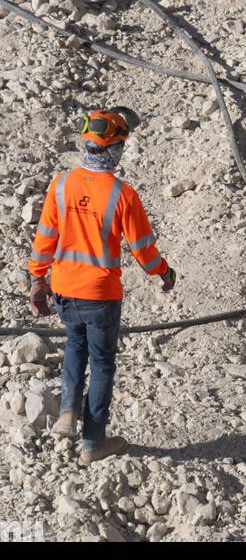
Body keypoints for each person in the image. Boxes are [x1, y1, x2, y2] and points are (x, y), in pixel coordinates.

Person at [27, 107, 175, 463]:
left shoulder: (61, 184)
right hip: (101, 295)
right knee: (103, 363)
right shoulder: (122, 194)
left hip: (64, 288)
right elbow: (143, 251)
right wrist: (165, 274)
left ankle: (67, 412)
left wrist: (37, 279)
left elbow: (45, 237)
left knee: (75, 348)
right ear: (115, 149)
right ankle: (94, 443)